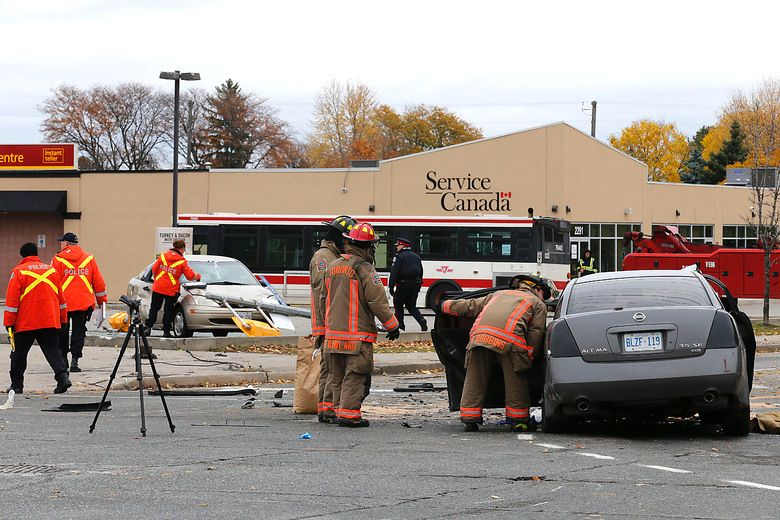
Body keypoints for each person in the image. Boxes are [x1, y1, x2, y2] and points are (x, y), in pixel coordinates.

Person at [437, 273, 549, 432]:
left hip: (479, 337)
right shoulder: (537, 304)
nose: (543, 297)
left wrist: (443, 305)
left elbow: (470, 306)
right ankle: (518, 421)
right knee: (516, 380)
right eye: (544, 293)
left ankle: (470, 419)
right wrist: (528, 357)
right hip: (509, 342)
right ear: (536, 289)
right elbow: (536, 333)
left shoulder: (498, 295)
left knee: (474, 378)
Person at [322, 222, 400, 428]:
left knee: (336, 376)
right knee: (355, 376)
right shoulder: (364, 269)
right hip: (357, 336)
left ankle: (336, 411)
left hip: (333, 336)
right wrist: (392, 325)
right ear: (369, 247)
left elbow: (323, 298)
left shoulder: (332, 266)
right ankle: (349, 415)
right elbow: (378, 301)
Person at [4, 242, 72, 394]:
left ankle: (17, 385)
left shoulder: (19, 272)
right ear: (36, 254)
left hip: (26, 322)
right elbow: (60, 298)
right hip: (49, 319)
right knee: (53, 351)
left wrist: (9, 323)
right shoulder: (51, 270)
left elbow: (12, 302)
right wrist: (63, 319)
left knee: (18, 353)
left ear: (22, 255)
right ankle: (63, 378)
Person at [309, 215, 356, 423]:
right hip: (326, 323)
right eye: (347, 240)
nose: (349, 245)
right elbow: (323, 293)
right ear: (339, 238)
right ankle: (327, 410)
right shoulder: (324, 258)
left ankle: (327, 409)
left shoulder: (331, 256)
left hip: (330, 322)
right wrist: (326, 324)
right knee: (330, 369)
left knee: (332, 369)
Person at [51, 232, 107, 372]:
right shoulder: (89, 259)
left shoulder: (57, 260)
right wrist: (102, 303)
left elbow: (50, 282)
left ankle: (63, 360)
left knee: (62, 332)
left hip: (63, 304)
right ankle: (75, 360)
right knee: (79, 331)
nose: (61, 245)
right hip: (83, 303)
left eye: (62, 242)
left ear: (67, 244)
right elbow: (98, 284)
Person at [144, 239, 201, 345]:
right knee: (168, 310)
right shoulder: (182, 261)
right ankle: (166, 331)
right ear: (182, 248)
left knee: (154, 308)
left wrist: (158, 279)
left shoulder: (163, 256)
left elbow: (155, 269)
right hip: (170, 289)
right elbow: (189, 276)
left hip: (158, 287)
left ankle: (148, 328)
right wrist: (198, 276)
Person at [388, 236, 427, 332]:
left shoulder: (399, 257)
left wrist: (391, 286)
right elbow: (421, 271)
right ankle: (422, 321)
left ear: (402, 246)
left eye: (398, 245)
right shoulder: (416, 256)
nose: (396, 247)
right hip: (415, 284)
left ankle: (400, 325)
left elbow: (394, 272)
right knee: (411, 305)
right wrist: (419, 284)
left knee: (398, 304)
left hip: (403, 284)